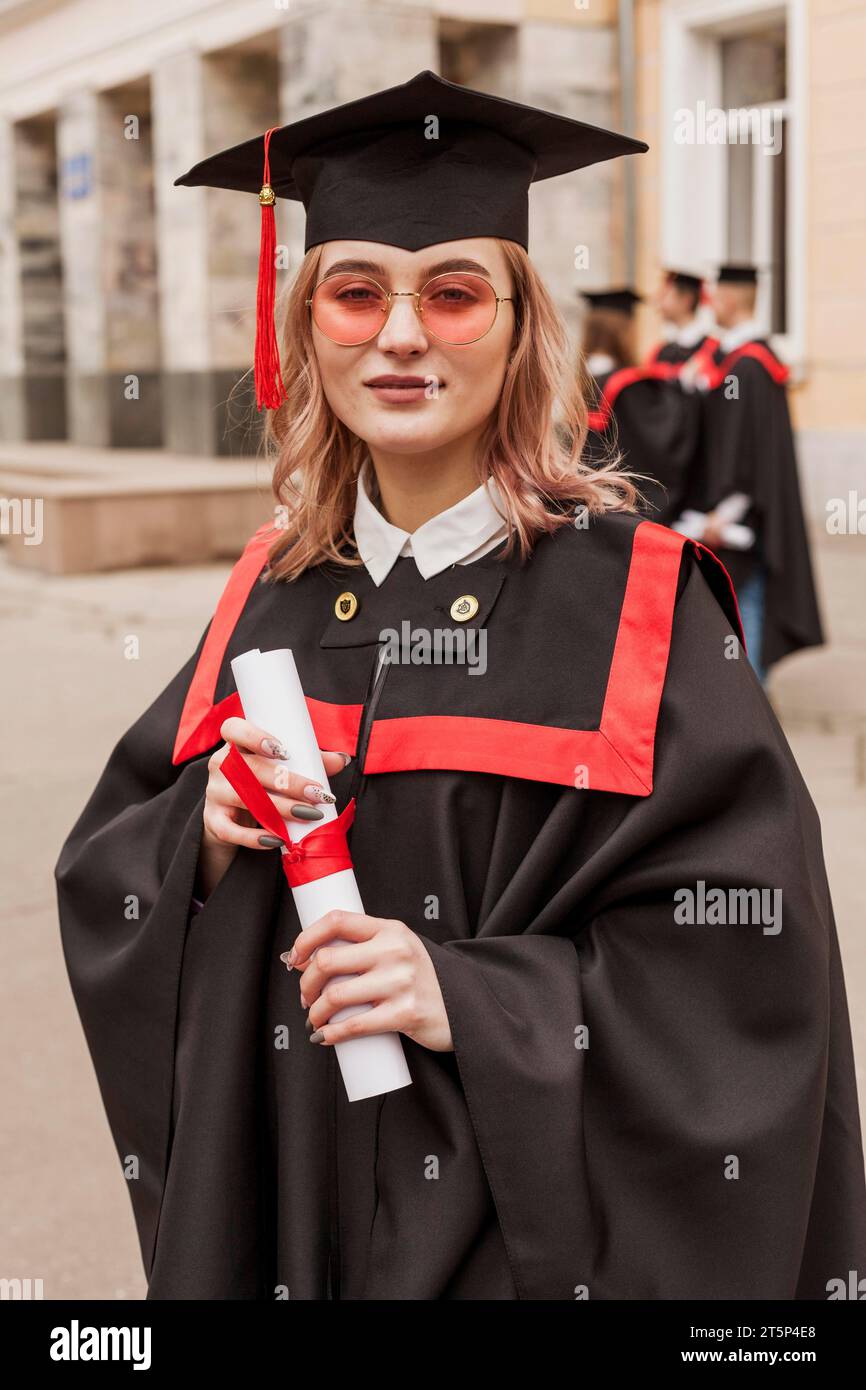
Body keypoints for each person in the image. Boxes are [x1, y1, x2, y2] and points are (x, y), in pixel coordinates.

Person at [55, 71, 865, 1301]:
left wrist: (475, 1000)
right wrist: (201, 837)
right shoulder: (266, 595)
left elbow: (754, 974)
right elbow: (107, 876)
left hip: (518, 1239)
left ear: (518, 325)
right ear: (304, 329)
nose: (399, 334)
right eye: (355, 291)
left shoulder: (636, 600)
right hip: (298, 1210)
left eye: (451, 292)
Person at [677, 263, 824, 682]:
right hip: (746, 511)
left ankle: (751, 702)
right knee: (742, 606)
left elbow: (747, 450)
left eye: (715, 297)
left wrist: (726, 512)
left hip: (738, 517)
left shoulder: (748, 366)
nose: (710, 306)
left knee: (745, 606)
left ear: (729, 298)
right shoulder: (748, 361)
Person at [581, 287, 701, 525]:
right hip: (628, 509)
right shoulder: (627, 386)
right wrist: (684, 386)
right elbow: (662, 443)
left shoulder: (580, 381)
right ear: (623, 332)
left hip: (594, 504)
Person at [643, 267, 718, 374]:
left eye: (664, 295)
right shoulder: (660, 352)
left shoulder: (712, 350)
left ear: (686, 299)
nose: (659, 301)